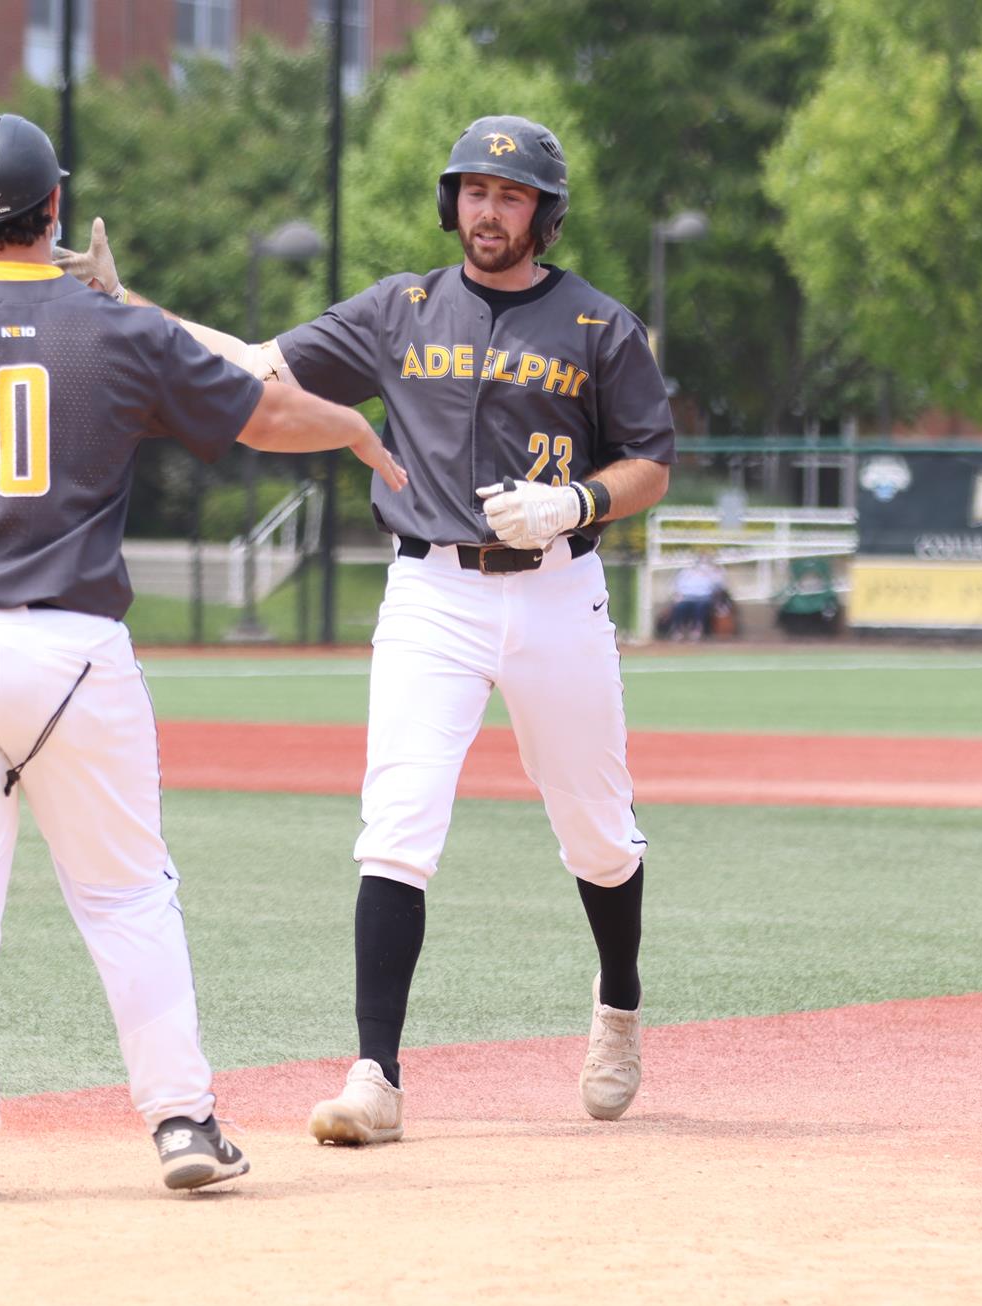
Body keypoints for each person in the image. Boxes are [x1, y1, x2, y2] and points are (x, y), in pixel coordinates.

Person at [0, 113, 407, 1207]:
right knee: (125, 895)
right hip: (70, 651)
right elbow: (263, 412)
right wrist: (349, 426)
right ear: (54, 207)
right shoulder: (119, 327)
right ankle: (182, 1121)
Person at [60, 114, 673, 1144]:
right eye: (474, 190)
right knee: (397, 824)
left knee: (599, 831)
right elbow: (256, 366)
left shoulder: (597, 326)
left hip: (557, 590)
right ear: (452, 202)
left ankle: (618, 1002)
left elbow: (650, 462)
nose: (489, 210)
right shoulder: (400, 309)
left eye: (511, 195)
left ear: (544, 214)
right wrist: (131, 307)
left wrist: (576, 504)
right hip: (432, 592)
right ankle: (374, 1076)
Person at [668, 553, 728, 641]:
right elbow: (678, 586)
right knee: (680, 607)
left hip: (704, 598)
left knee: (700, 607)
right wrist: (677, 595)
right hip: (687, 597)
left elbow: (719, 585)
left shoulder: (712, 572)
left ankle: (697, 629)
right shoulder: (685, 572)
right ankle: (678, 629)